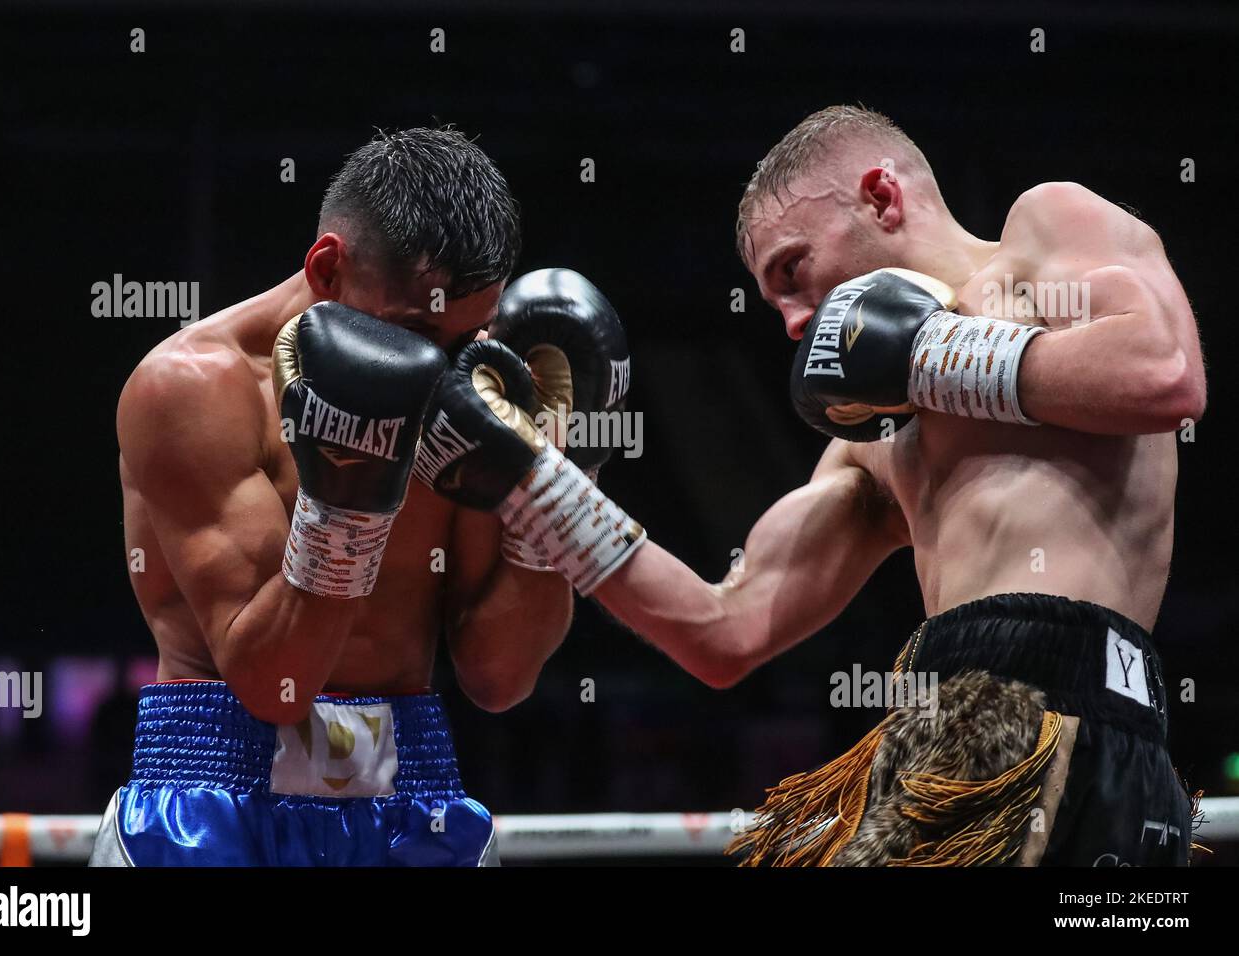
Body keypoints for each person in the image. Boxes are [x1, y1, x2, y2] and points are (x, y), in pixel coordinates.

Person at [413, 105, 1207, 866]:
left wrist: (931, 354)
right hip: (968, 735)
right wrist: (536, 479)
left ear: (881, 195)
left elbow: (1165, 374)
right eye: (774, 302)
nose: (794, 323)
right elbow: (724, 633)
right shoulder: (872, 446)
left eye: (793, 272)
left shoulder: (1045, 232)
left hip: (1050, 726)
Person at [91, 127, 626, 866]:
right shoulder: (193, 389)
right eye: (415, 331)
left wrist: (560, 477)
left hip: (413, 803)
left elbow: (500, 678)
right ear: (328, 267)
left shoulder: (473, 386)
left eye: (467, 337)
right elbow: (273, 686)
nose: (445, 368)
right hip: (210, 806)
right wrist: (349, 501)